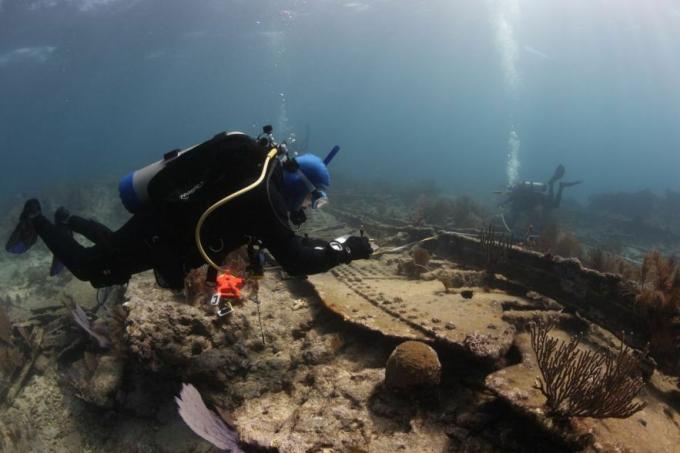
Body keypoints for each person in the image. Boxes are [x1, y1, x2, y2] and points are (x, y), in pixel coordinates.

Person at [5, 127, 373, 290]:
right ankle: (36, 217)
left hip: (166, 231)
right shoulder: (264, 196)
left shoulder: (259, 184)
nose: (309, 208)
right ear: (299, 183)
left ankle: (67, 220)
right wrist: (348, 250)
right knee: (93, 270)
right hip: (163, 233)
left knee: (114, 252)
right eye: (313, 199)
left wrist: (223, 287)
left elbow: (283, 243)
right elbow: (297, 260)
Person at [499, 164, 582, 231]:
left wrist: (510, 226)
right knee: (553, 204)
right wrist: (502, 203)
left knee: (554, 204)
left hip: (539, 199)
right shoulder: (517, 197)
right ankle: (557, 185)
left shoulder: (517, 201)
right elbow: (512, 199)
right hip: (539, 198)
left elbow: (512, 201)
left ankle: (555, 184)